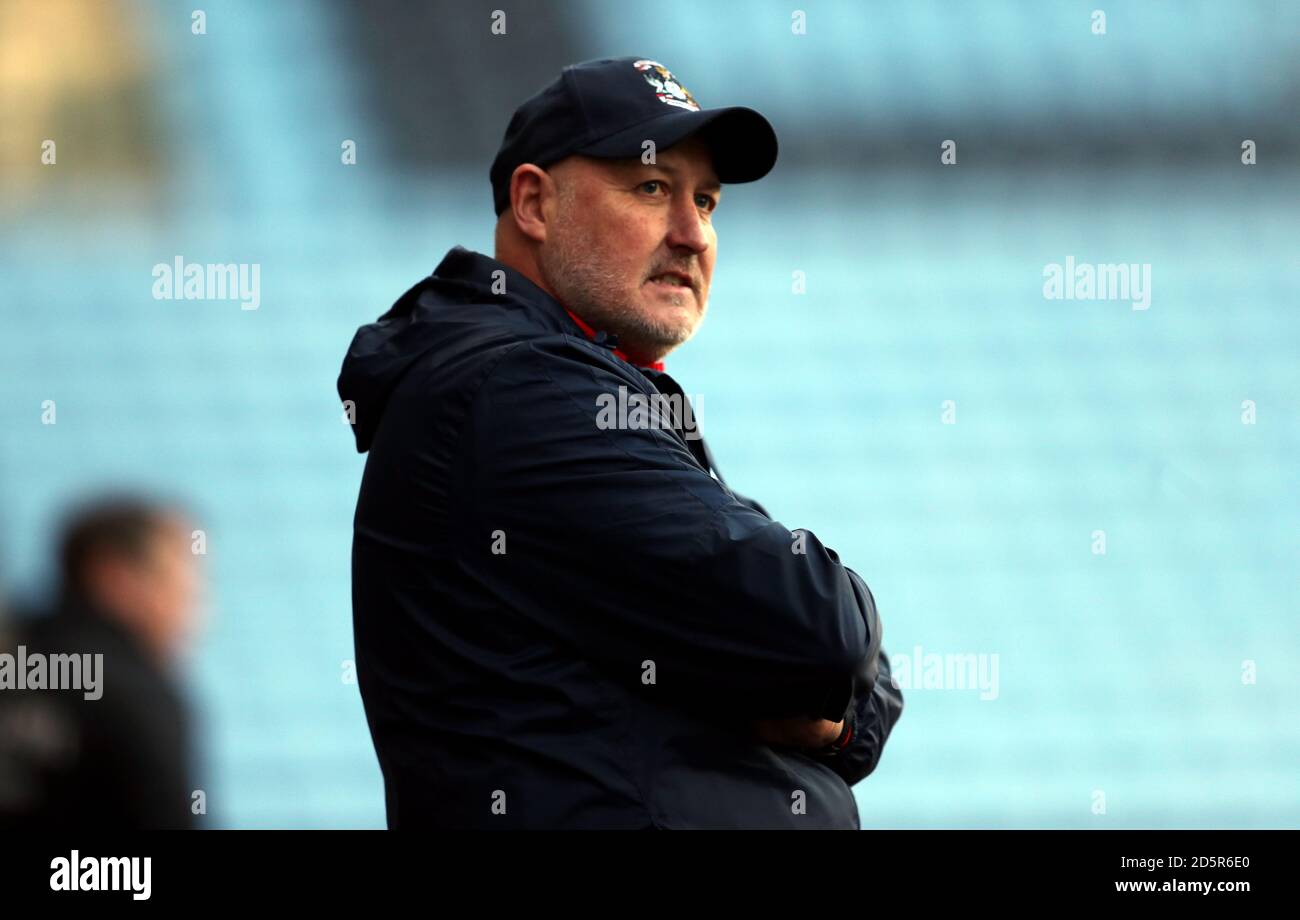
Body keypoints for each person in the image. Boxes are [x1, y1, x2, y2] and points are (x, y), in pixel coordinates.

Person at [338, 57, 903, 829]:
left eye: (706, 200)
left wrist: (837, 711)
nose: (693, 233)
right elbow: (822, 631)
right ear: (534, 202)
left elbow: (862, 684)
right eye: (651, 188)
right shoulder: (522, 391)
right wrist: (817, 686)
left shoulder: (564, 386)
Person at [0, 496, 203, 829]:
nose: (194, 614)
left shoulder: (16, 656)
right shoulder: (138, 694)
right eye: (183, 588)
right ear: (116, 577)